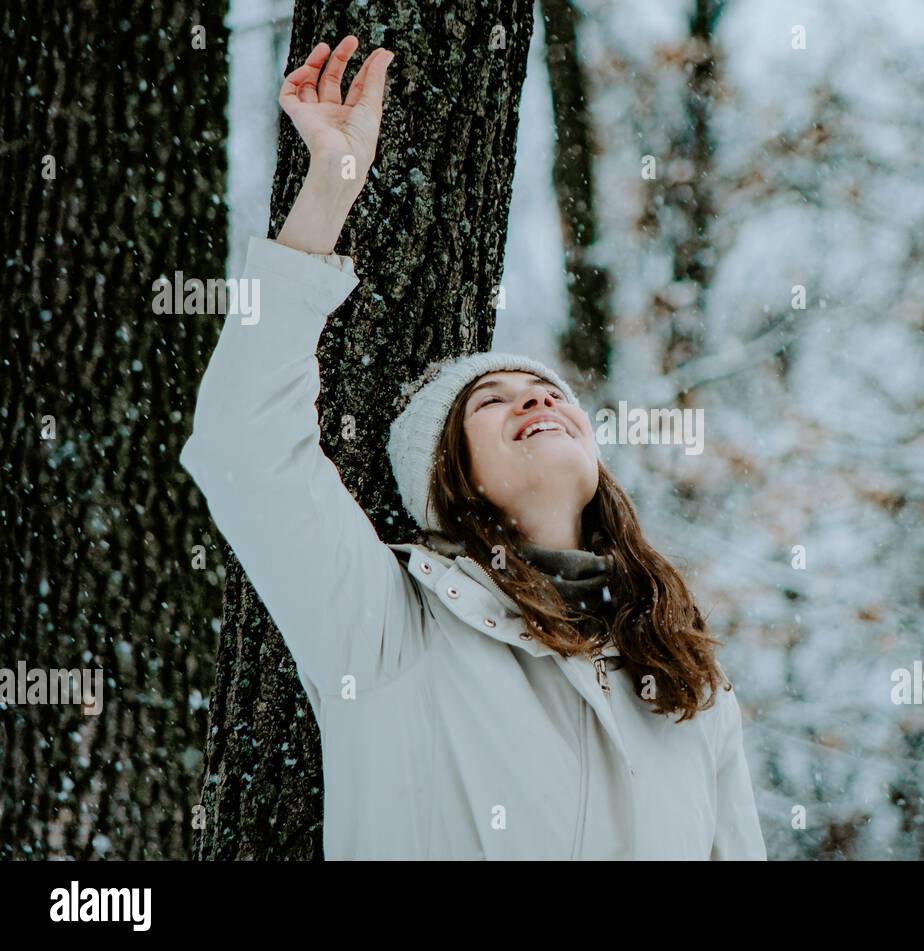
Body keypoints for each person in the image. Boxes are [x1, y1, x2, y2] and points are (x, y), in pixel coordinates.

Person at [181, 36, 767, 860]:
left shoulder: (685, 683)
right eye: (489, 403)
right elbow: (243, 443)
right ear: (450, 484)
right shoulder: (390, 633)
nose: (534, 398)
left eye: (549, 392)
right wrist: (331, 189)